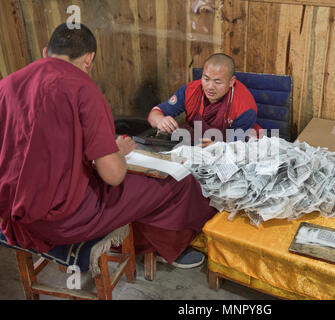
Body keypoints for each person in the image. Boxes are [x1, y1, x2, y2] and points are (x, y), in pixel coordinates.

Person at [0, 23, 217, 268]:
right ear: (89, 58)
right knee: (177, 181)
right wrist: (118, 152)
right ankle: (167, 248)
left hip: (11, 211)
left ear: (45, 52)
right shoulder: (83, 90)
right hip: (61, 220)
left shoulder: (7, 85)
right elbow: (113, 176)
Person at [147, 53, 261, 145]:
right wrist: (160, 120)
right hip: (198, 143)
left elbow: (236, 145)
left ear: (231, 81)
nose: (210, 87)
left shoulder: (245, 107)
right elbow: (154, 114)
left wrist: (217, 147)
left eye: (218, 82)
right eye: (206, 79)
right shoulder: (190, 91)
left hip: (232, 146)